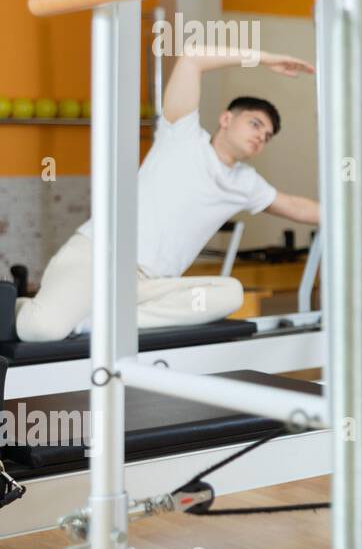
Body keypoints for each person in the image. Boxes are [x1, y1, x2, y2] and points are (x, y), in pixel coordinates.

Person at [16, 49, 320, 342]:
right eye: (255, 124)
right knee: (41, 331)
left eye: (266, 136)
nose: (260, 136)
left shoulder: (246, 183)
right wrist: (265, 59)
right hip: (97, 256)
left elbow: (296, 206)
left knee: (229, 294)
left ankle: (89, 324)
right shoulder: (182, 135)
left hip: (146, 285)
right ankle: (18, 307)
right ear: (226, 119)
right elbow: (192, 59)